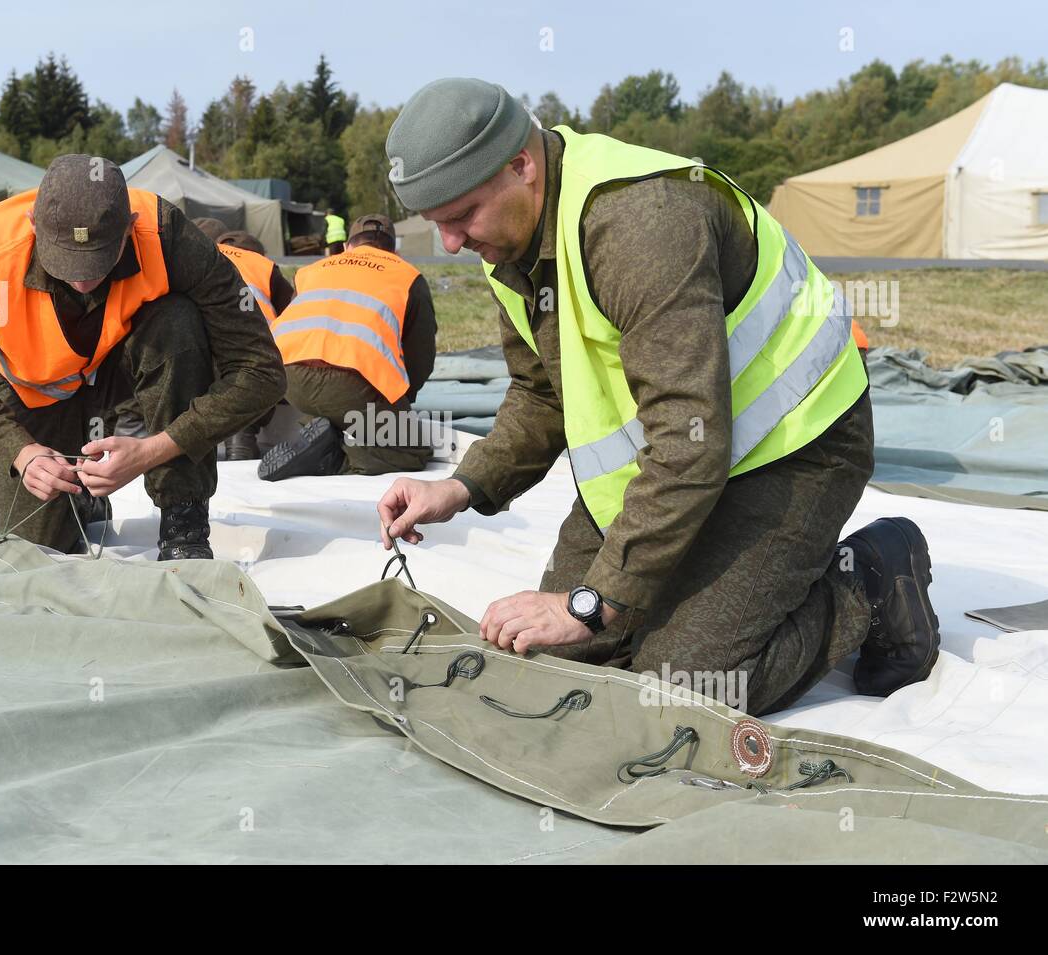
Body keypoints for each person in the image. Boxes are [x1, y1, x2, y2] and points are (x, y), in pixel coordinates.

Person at [376, 79, 939, 715]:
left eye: (460, 217)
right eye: (436, 224)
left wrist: (593, 605)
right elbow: (541, 392)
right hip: (677, 459)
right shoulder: (510, 237)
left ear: (521, 166)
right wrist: (461, 487)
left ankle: (867, 576)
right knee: (547, 664)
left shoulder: (639, 224)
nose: (451, 243)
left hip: (792, 448)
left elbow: (687, 437)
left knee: (682, 692)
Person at [0, 155, 285, 560]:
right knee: (32, 552)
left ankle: (183, 521)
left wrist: (155, 450)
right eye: (64, 261)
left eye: (96, 262)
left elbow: (262, 371)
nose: (80, 278)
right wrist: (20, 451)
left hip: (122, 373)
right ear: (32, 224)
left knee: (177, 322)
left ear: (130, 228)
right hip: (34, 393)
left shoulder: (169, 237)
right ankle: (83, 500)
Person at [258, 213, 438, 480]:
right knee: (411, 451)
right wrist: (399, 403)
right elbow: (420, 353)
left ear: (346, 246)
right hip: (353, 383)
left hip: (288, 377)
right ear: (394, 250)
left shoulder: (311, 271)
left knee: (331, 411)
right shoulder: (407, 275)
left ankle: (318, 431)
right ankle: (331, 457)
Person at [192, 218, 296, 460]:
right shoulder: (263, 265)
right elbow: (292, 317)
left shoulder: (200, 255)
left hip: (196, 357)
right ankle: (241, 441)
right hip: (251, 365)